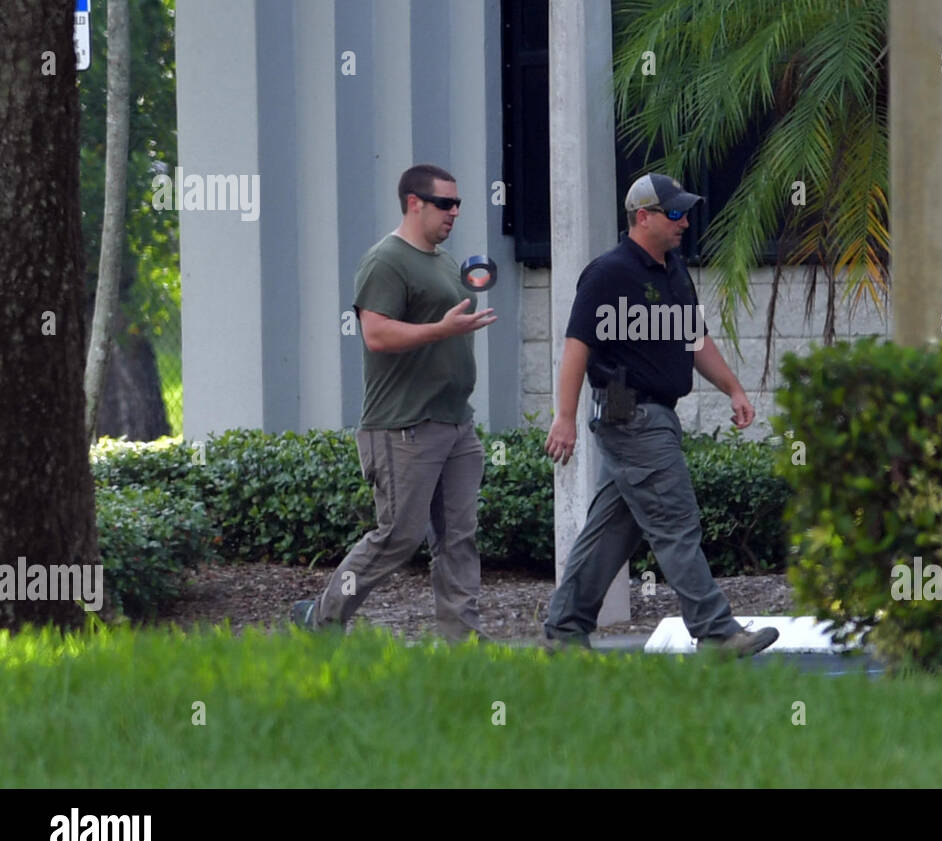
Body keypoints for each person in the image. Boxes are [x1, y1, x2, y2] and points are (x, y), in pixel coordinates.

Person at [542, 173, 779, 656]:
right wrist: (563, 417)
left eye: (685, 212)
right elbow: (576, 346)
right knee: (675, 521)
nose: (685, 222)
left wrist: (733, 387)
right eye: (674, 214)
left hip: (654, 418)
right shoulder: (608, 273)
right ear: (642, 217)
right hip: (632, 419)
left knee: (614, 527)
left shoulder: (673, 269)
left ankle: (565, 630)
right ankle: (716, 632)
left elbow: (694, 339)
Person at [292, 164, 497, 641]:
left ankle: (463, 644)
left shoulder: (444, 261)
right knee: (397, 537)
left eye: (458, 203)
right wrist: (442, 330)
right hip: (403, 426)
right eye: (445, 203)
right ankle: (321, 618)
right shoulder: (386, 260)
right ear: (414, 203)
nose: (455, 212)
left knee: (459, 538)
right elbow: (377, 334)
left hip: (454, 423)